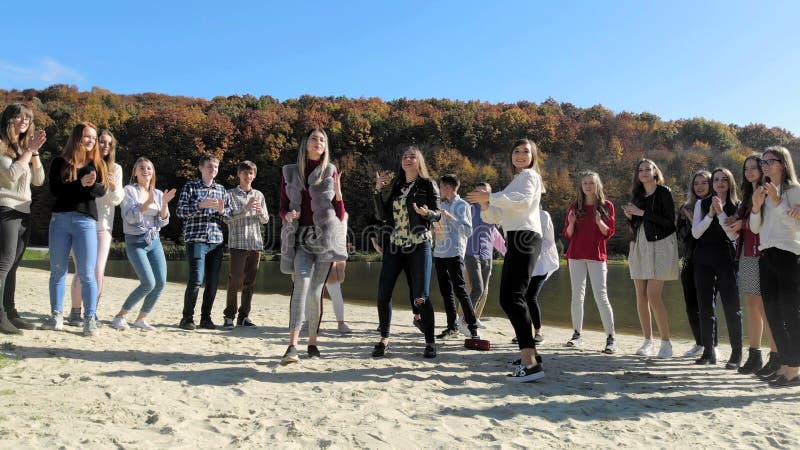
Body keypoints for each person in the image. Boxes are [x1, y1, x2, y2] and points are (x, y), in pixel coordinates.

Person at [465, 138, 544, 382]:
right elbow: (494, 218)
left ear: (533, 157)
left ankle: (530, 363)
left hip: (526, 237)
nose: (520, 155)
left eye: (526, 152)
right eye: (516, 151)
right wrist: (486, 204)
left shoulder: (530, 177)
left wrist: (491, 195)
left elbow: (522, 202)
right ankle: (531, 356)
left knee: (512, 297)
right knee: (510, 298)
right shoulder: (515, 181)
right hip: (516, 237)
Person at [279, 128, 347, 363]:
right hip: (301, 239)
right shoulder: (289, 171)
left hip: (325, 240)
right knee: (301, 286)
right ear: (306, 144)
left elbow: (339, 214)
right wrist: (288, 215)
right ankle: (292, 346)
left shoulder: (330, 170)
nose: (318, 142)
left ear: (326, 146)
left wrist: (338, 193)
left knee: (316, 292)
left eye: (322, 140)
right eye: (314, 139)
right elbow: (282, 206)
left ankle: (313, 344)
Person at [372, 146, 441, 359]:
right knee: (383, 293)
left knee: (421, 296)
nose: (408, 159)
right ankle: (384, 338)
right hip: (395, 245)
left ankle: (430, 342)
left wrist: (426, 212)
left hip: (419, 244)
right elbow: (383, 215)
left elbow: (438, 214)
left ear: (419, 162)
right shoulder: (397, 186)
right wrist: (377, 189)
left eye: (413, 156)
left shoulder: (428, 184)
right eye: (404, 156)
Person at [42, 122, 107, 336]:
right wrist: (81, 184)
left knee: (87, 273)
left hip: (86, 222)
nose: (91, 141)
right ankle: (56, 316)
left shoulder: (96, 163)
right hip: (59, 220)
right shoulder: (59, 162)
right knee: (58, 270)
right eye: (87, 136)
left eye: (94, 138)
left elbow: (101, 191)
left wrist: (90, 185)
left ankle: (89, 319)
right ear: (77, 137)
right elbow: (56, 191)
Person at [749, 146, 800, 387]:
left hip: (789, 255)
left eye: (770, 161)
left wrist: (778, 202)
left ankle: (794, 369)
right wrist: (757, 206)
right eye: (763, 161)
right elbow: (755, 229)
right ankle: (784, 365)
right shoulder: (761, 191)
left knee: (790, 314)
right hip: (766, 255)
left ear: (783, 163)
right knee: (773, 315)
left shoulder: (795, 191)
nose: (765, 165)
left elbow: (797, 227)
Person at [110, 157, 176, 330]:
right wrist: (147, 203)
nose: (146, 171)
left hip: (154, 241)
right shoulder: (129, 191)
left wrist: (164, 205)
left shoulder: (159, 193)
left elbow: (163, 222)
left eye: (149, 168)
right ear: (135, 172)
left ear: (153, 172)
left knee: (160, 283)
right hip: (135, 241)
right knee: (148, 283)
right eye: (141, 168)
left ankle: (141, 319)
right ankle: (120, 316)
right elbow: (129, 217)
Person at [67, 129, 124, 326]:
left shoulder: (115, 169)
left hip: (103, 226)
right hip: (81, 222)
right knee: (82, 269)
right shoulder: (83, 163)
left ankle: (92, 312)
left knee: (98, 270)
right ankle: (75, 312)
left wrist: (115, 188)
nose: (105, 146)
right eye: (102, 141)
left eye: (109, 143)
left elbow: (116, 201)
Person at [622, 158, 678, 358]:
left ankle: (666, 342)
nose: (644, 172)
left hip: (661, 244)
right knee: (641, 295)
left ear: (656, 172)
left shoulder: (664, 192)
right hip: (639, 244)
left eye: (648, 169)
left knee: (654, 295)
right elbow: (636, 224)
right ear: (638, 175)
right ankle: (647, 341)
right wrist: (631, 217)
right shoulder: (637, 195)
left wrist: (642, 213)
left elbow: (670, 223)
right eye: (641, 170)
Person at [0, 103, 46, 334]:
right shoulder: (1, 145)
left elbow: (38, 180)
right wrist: (29, 150)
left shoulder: (23, 148)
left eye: (27, 117)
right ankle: (0, 317)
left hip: (24, 210)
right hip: (5, 209)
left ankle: (10, 313)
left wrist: (34, 151)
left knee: (14, 265)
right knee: (4, 264)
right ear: (8, 120)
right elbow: (9, 176)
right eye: (18, 117)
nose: (24, 121)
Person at [691, 167, 743, 368]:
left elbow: (733, 236)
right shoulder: (701, 204)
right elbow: (695, 233)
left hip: (726, 258)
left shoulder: (737, 206)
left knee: (732, 307)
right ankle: (708, 352)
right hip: (703, 257)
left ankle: (736, 354)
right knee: (705, 307)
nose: (719, 183)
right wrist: (710, 215)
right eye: (716, 180)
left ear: (730, 183)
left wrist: (721, 213)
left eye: (724, 180)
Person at [562, 171, 617, 354]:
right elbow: (568, 235)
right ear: (581, 186)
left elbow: (608, 233)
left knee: (601, 296)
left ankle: (611, 338)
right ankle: (577, 335)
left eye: (591, 183)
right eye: (585, 183)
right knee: (577, 295)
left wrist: (599, 222)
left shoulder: (606, 205)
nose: (588, 186)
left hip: (596, 255)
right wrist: (571, 223)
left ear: (597, 185)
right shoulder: (575, 206)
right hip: (576, 255)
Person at [731, 155, 777, 374]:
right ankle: (755, 354)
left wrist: (744, 223)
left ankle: (776, 355)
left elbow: (768, 221)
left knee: (764, 307)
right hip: (746, 253)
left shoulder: (767, 191)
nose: (749, 172)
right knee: (751, 305)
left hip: (762, 253)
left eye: (754, 168)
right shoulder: (748, 195)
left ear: (762, 169)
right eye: (746, 168)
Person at [176, 155, 231, 330]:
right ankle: (187, 318)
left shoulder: (222, 190)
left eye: (215, 167)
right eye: (209, 166)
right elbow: (180, 211)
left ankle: (206, 318)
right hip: (196, 239)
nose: (213, 169)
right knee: (196, 280)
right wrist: (200, 205)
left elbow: (229, 216)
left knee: (213, 282)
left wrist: (223, 211)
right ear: (200, 168)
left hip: (216, 240)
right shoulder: (190, 187)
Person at [433, 174, 481, 341]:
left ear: (449, 187)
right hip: (438, 252)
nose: (440, 190)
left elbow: (468, 231)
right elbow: (436, 228)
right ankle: (451, 327)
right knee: (446, 292)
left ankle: (473, 327)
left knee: (460, 290)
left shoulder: (463, 205)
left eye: (441, 187)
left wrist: (450, 217)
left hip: (454, 252)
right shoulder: (439, 205)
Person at [223, 160, 269, 329]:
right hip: (237, 244)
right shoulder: (229, 194)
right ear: (238, 174)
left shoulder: (259, 195)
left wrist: (259, 211)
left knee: (250, 282)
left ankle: (244, 316)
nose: (247, 176)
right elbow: (226, 218)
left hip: (255, 243)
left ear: (254, 175)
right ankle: (229, 316)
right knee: (235, 281)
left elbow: (265, 220)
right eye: (244, 172)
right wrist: (245, 209)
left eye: (251, 173)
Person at [676, 170, 716, 357]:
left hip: (710, 261)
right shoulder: (686, 208)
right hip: (690, 260)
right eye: (696, 183)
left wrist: (697, 223)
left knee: (708, 304)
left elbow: (715, 236)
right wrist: (691, 224)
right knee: (691, 303)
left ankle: (712, 345)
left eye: (704, 182)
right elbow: (682, 237)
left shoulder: (716, 205)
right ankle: (699, 343)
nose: (699, 186)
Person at [464, 182, 503, 320]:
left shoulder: (494, 211)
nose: (480, 195)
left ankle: (475, 318)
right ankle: (462, 319)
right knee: (470, 289)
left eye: (484, 192)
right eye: (478, 192)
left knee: (483, 291)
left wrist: (506, 252)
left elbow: (495, 234)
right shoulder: (467, 209)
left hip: (487, 254)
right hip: (470, 253)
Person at [522, 207, 559, 345]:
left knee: (530, 296)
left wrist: (530, 250)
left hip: (541, 263)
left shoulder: (543, 215)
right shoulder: (520, 214)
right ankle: (523, 332)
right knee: (520, 298)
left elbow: (549, 241)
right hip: (524, 264)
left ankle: (538, 332)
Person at [325, 261, 352, 333]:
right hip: (311, 257)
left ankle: (341, 323)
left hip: (330, 258)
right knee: (312, 293)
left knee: (336, 293)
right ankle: (308, 321)